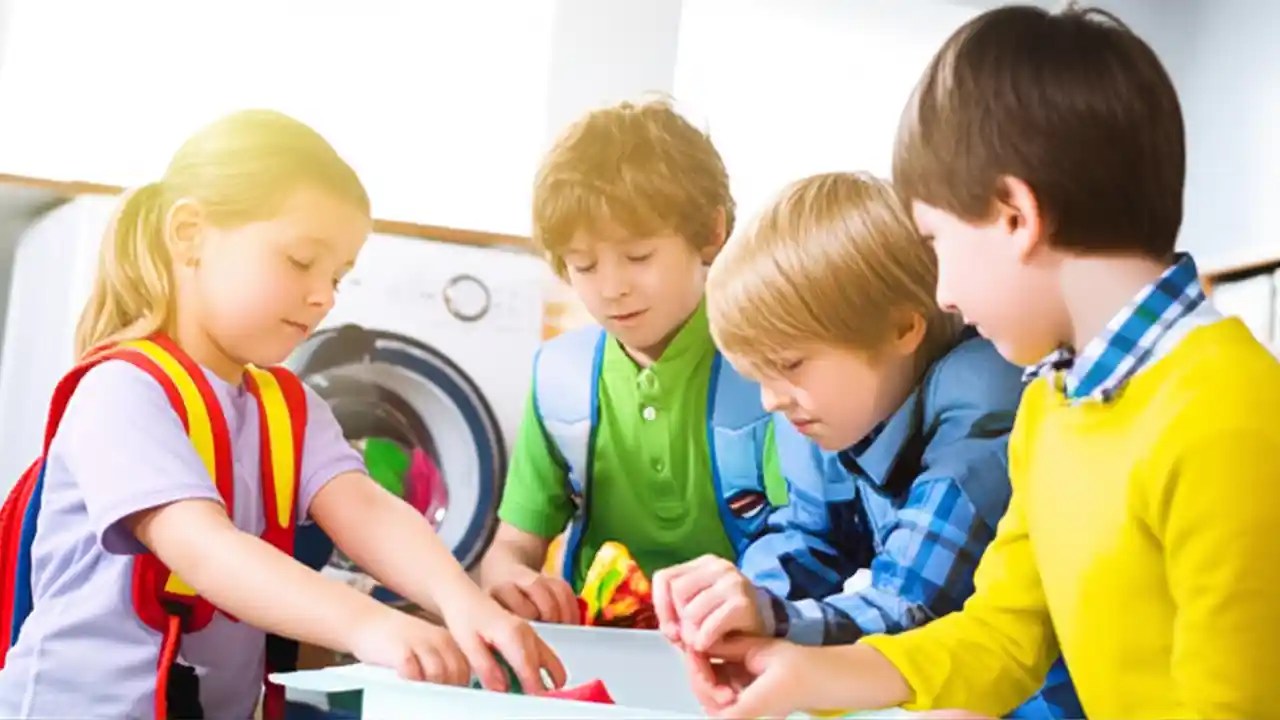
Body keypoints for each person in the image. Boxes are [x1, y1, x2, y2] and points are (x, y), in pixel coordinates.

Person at [686, 6, 1280, 719]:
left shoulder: (1228, 409)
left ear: (1013, 216)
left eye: (935, 242)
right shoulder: (1054, 407)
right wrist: (809, 675)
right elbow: (1001, 638)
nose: (943, 294)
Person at [0, 109, 564, 719]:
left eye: (339, 276)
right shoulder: (121, 391)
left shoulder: (290, 408)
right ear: (189, 234)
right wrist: (367, 625)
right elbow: (204, 550)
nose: (323, 295)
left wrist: (465, 601)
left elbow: (368, 510)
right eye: (300, 261)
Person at [654, 172, 1076, 718]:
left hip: (1035, 698)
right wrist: (737, 606)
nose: (770, 401)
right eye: (756, 374)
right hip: (924, 686)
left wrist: (775, 618)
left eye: (787, 365)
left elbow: (914, 607)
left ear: (903, 328)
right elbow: (810, 537)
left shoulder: (986, 409)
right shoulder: (823, 409)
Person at [477, 98, 787, 623]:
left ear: (711, 233)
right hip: (597, 644)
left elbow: (808, 545)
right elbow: (511, 549)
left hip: (740, 647)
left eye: (639, 257)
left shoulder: (770, 370)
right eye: (584, 265)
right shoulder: (559, 379)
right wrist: (514, 581)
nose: (612, 288)